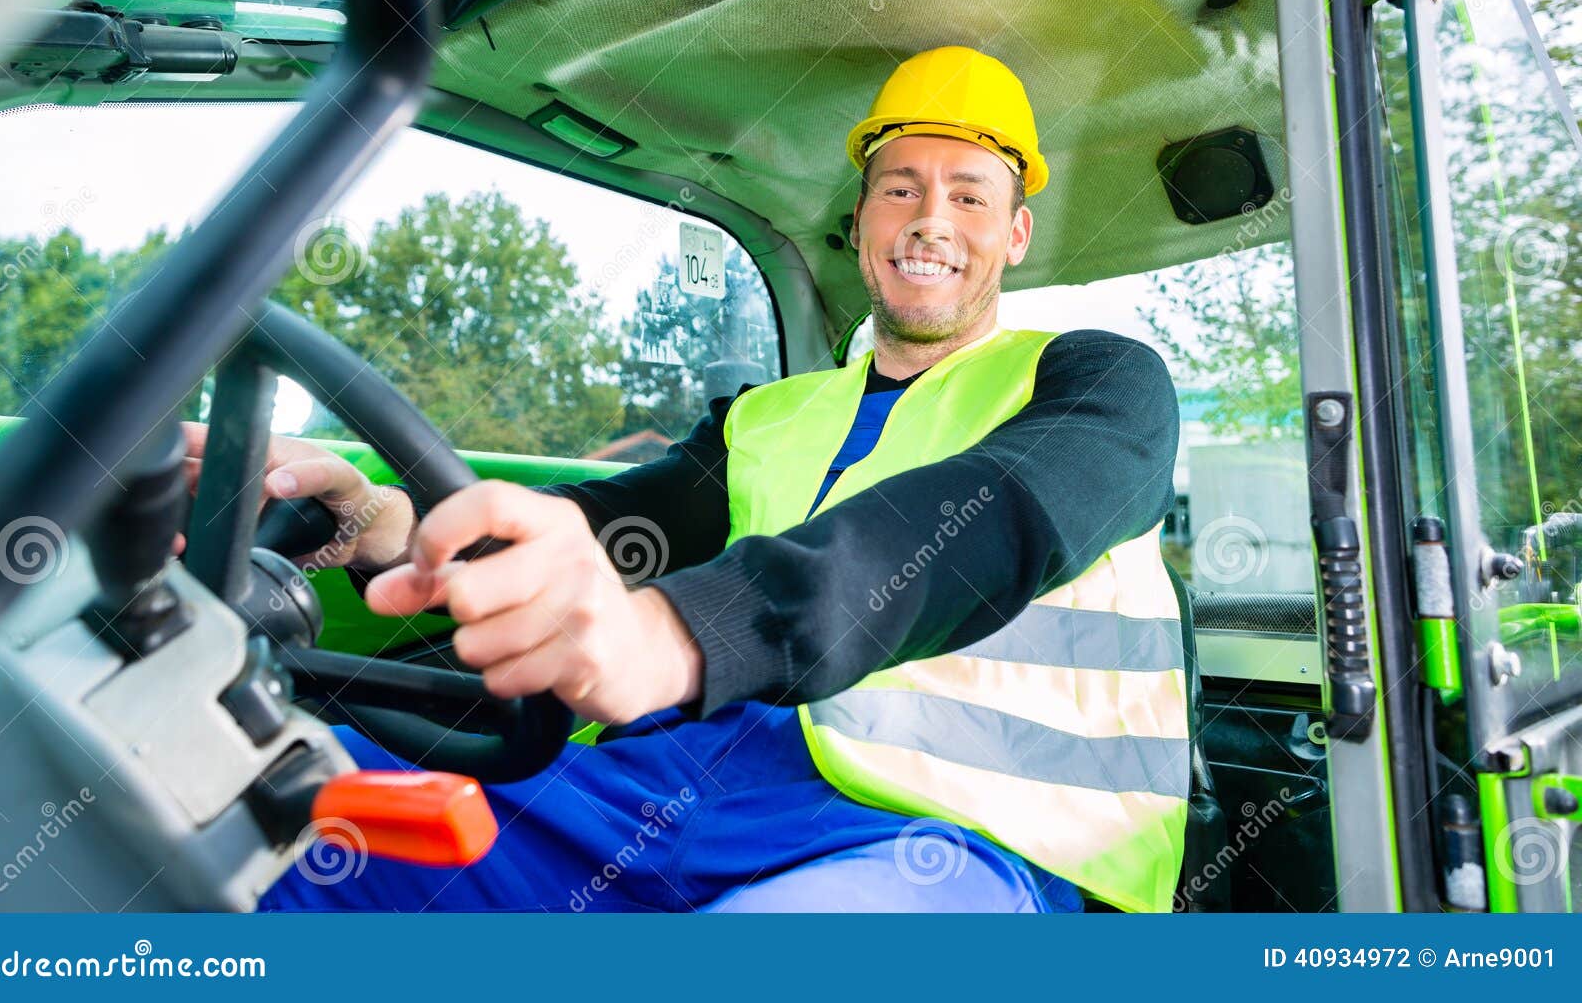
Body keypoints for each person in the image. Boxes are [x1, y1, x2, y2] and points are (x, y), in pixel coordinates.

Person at [241, 46, 1185, 913]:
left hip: (946, 844)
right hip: (658, 791)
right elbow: (599, 529)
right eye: (901, 189)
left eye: (970, 197)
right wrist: (381, 521)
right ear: (862, 221)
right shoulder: (763, 417)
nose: (930, 219)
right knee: (260, 799)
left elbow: (989, 524)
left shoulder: (1099, 383)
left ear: (1016, 234)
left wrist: (673, 634)